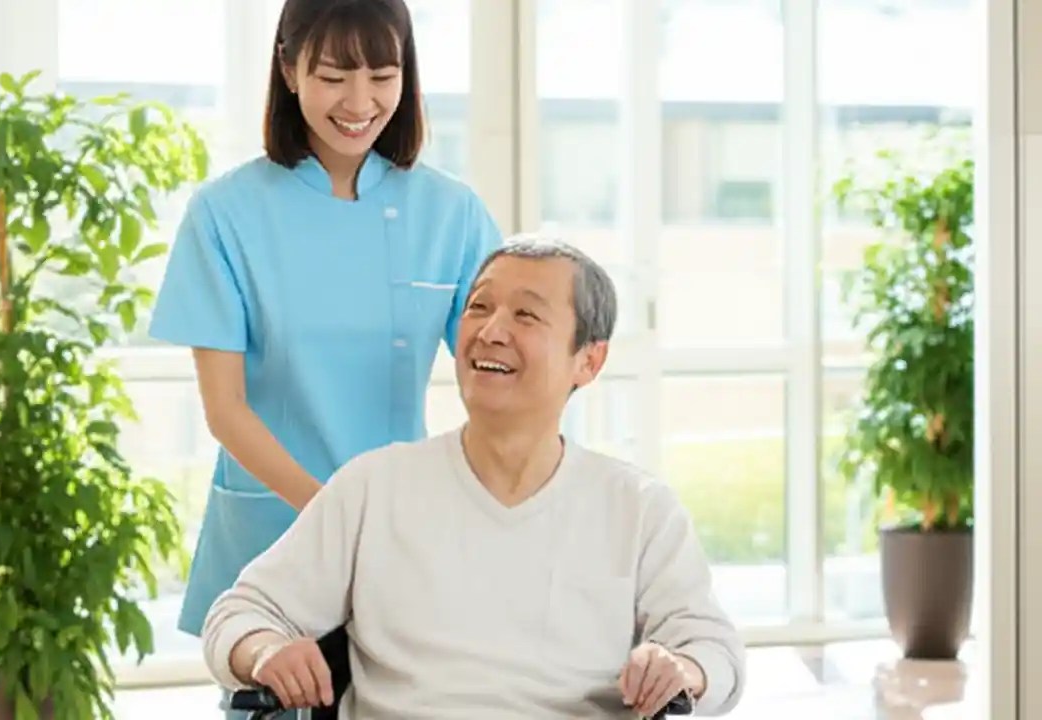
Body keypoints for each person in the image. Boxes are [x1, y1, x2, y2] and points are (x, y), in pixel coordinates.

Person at [201, 238, 747, 719]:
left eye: (526, 316)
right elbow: (239, 613)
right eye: (478, 307)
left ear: (588, 361)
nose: (490, 331)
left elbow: (713, 650)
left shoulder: (638, 508)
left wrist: (681, 667)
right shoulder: (374, 487)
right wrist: (264, 650)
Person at [148, 0, 501, 714]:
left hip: (407, 535)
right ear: (287, 67)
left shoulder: (450, 212)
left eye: (382, 75)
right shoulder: (225, 213)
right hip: (274, 528)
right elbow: (225, 410)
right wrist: (339, 517)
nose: (360, 102)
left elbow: (503, 372)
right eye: (335, 75)